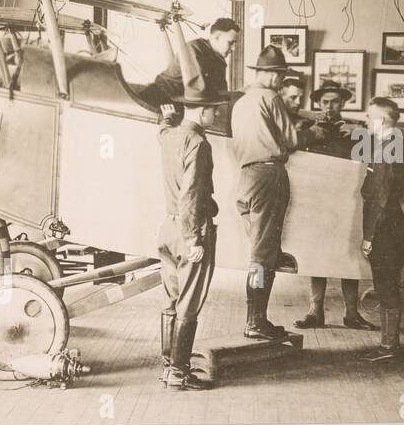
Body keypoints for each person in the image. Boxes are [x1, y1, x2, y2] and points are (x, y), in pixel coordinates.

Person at [156, 85, 228, 390]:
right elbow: (192, 194)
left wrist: (166, 119)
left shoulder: (169, 135)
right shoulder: (199, 143)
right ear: (202, 110)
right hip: (190, 229)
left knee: (172, 299)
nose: (216, 113)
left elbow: (162, 130)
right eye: (214, 109)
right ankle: (179, 371)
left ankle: (167, 365)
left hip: (168, 229)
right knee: (189, 304)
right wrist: (194, 239)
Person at [291, 81, 375, 331]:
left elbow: (370, 158)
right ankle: (315, 312)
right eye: (325, 102)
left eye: (335, 102)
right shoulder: (306, 127)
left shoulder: (355, 129)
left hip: (346, 202)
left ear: (343, 103)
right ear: (318, 103)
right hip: (316, 202)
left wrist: (361, 135)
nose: (330, 107)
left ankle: (352, 314)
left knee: (348, 256)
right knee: (317, 256)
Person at [230, 44, 295, 340]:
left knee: (259, 250)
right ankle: (255, 321)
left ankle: (255, 319)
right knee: (263, 255)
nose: (282, 81)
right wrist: (313, 132)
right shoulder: (270, 96)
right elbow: (291, 139)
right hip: (269, 175)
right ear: (270, 75)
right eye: (281, 75)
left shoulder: (242, 101)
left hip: (246, 177)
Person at [357, 97, 404, 362]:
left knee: (386, 284)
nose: (366, 120)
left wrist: (369, 237)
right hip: (390, 225)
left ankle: (389, 347)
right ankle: (389, 345)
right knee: (387, 283)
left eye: (369, 116)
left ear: (381, 120)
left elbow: (379, 198)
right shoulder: (390, 144)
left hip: (385, 227)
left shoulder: (386, 148)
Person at [142, 17, 238, 114]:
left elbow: (220, 90)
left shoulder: (219, 60)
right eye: (230, 43)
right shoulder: (195, 49)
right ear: (217, 37)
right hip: (158, 97)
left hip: (177, 99)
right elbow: (197, 91)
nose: (233, 48)